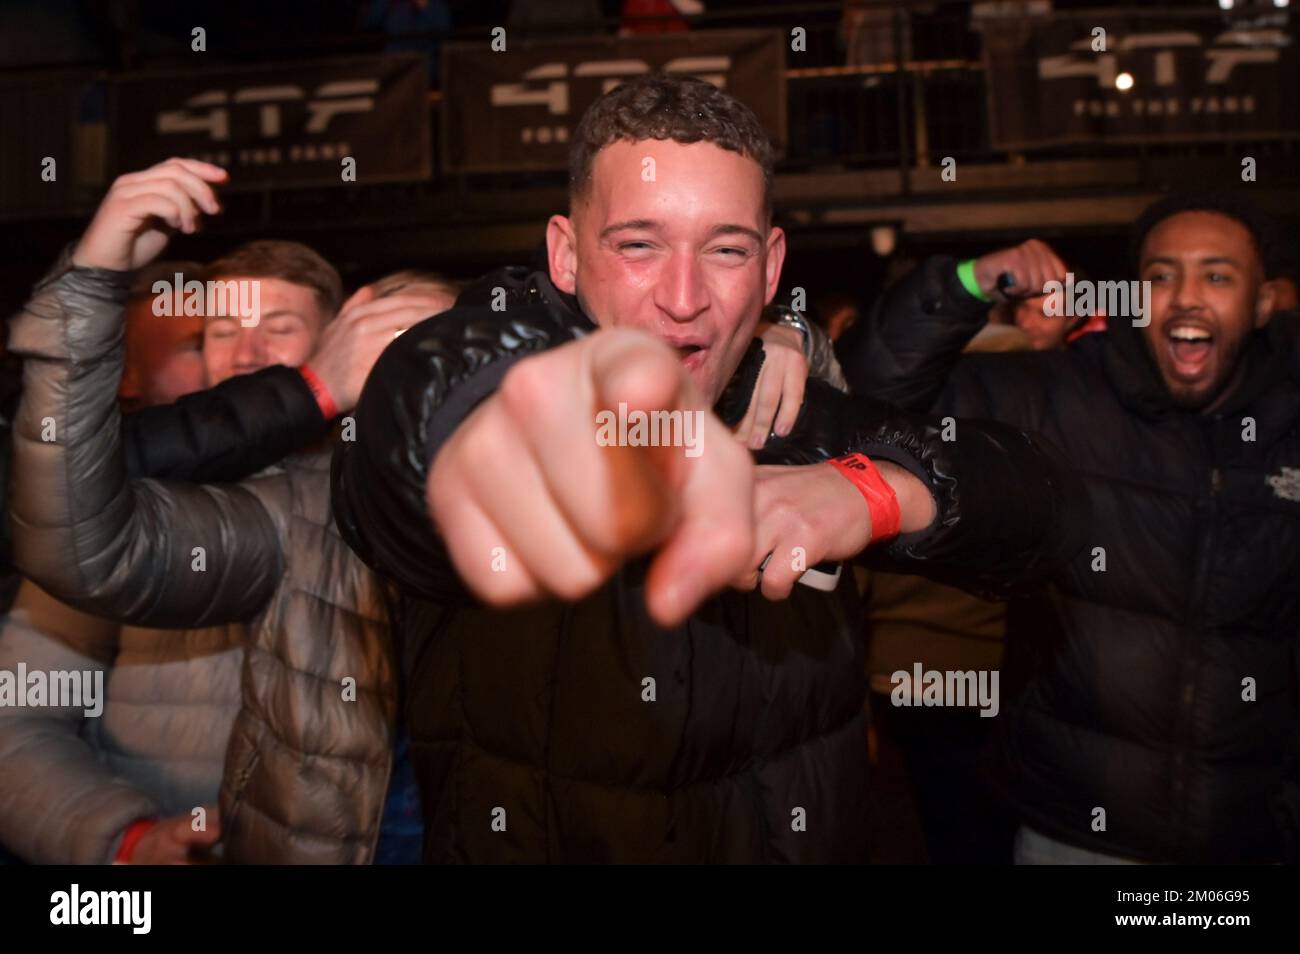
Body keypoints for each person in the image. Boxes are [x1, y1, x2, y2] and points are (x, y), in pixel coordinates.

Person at [332, 74, 1084, 863]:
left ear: (769, 269)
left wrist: (870, 493)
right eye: (637, 245)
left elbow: (1051, 511)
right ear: (564, 253)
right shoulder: (497, 390)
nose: (684, 297)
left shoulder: (778, 407)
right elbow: (392, 472)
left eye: (726, 249)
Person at [7, 157, 456, 862]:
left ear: (342, 342)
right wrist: (122, 839)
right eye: (220, 332)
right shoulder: (133, 492)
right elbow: (16, 723)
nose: (247, 353)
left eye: (278, 326)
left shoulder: (385, 490)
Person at [837, 194, 1300, 864]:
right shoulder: (1065, 395)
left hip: (1252, 838)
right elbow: (870, 402)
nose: (1187, 299)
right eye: (1162, 276)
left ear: (1263, 304)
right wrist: (966, 284)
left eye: (1218, 276)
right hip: (1077, 832)